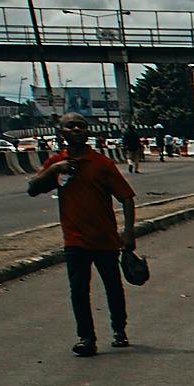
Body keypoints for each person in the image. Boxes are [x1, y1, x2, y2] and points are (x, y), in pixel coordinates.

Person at [25, 112, 138, 356]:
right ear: (61, 132)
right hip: (75, 240)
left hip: (105, 239)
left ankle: (119, 329)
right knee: (78, 289)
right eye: (70, 126)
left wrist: (128, 233)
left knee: (113, 287)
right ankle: (86, 337)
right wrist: (55, 168)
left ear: (88, 132)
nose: (76, 130)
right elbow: (33, 189)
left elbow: (127, 198)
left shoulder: (101, 164)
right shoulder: (57, 164)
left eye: (81, 126)